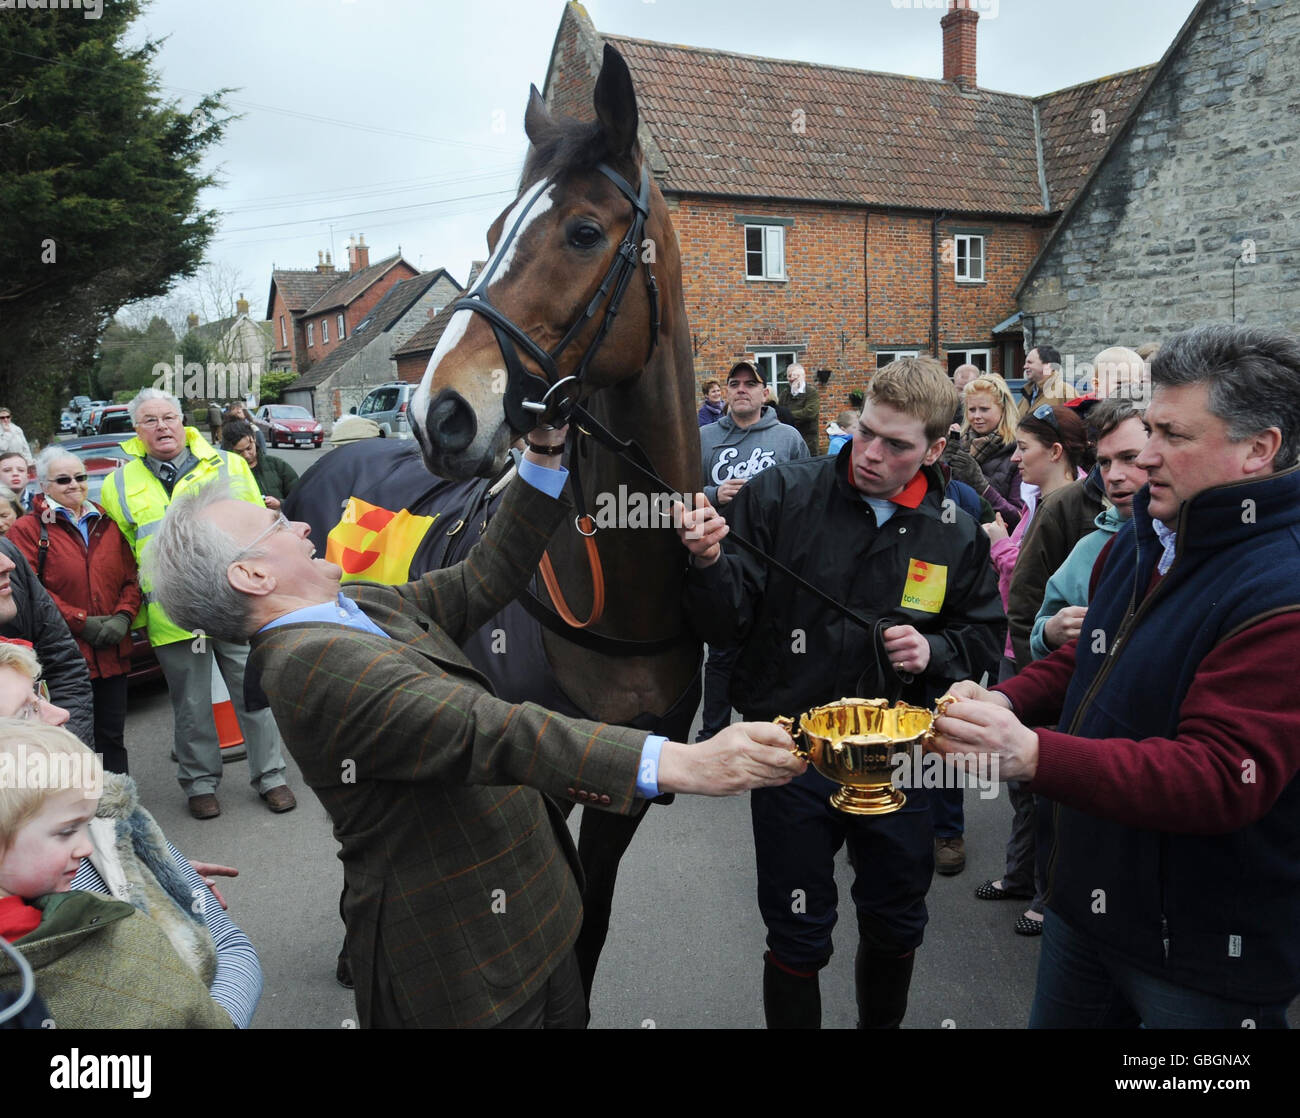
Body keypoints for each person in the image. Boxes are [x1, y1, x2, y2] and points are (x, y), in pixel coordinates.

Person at [143, 424, 806, 1029]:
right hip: (464, 969)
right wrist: (684, 763)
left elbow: (483, 576)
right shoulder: (309, 666)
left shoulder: (356, 606)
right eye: (275, 523)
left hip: (538, 918)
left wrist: (544, 457)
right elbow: (488, 729)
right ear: (252, 573)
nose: (301, 527)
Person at [933, 324, 1300, 1028]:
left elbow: (1222, 774)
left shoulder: (1281, 584)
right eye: (1147, 430)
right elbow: (1094, 654)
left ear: (1260, 449)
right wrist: (1000, 697)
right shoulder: (1150, 534)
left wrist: (1033, 754)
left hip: (1201, 958)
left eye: (1174, 436)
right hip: (1086, 907)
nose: (1142, 461)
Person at [677, 356, 1004, 1028]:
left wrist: (934, 650)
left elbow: (982, 638)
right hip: (791, 753)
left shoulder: (955, 528)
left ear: (937, 448)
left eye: (897, 444)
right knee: (797, 931)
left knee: (895, 922)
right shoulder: (781, 495)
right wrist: (708, 563)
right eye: (866, 433)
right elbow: (725, 621)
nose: (872, 454)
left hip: (903, 761)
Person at [100, 388, 295, 820]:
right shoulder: (118, 483)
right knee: (190, 707)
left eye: (168, 417)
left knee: (255, 695)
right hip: (172, 613)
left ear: (181, 421)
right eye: (150, 420)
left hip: (232, 603)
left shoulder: (228, 463)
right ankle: (200, 785)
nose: (162, 427)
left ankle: (272, 778)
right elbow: (122, 556)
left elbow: (256, 532)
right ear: (137, 430)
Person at [0, 718, 238, 1028]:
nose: (85, 847)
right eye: (67, 831)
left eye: (85, 827)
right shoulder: (88, 924)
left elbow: (232, 945)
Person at [982, 403, 1092, 936]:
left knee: (1045, 782)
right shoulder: (1040, 502)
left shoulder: (1067, 506)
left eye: (1023, 447)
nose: (1015, 456)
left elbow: (1027, 588)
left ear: (1056, 451)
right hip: (1021, 656)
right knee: (1021, 786)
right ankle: (1019, 875)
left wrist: (996, 542)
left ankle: (1046, 894)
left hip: (1033, 663)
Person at [8, 448, 141, 775]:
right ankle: (82, 811)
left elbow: (131, 576)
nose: (74, 485)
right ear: (44, 486)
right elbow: (32, 593)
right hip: (63, 657)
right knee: (70, 739)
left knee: (112, 736)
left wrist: (123, 616)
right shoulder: (27, 530)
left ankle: (119, 805)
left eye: (80, 478)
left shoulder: (106, 522)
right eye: (63, 479)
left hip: (111, 653)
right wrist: (82, 623)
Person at [697, 362, 809, 742]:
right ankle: (712, 736)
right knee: (722, 653)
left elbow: (808, 497)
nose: (742, 389)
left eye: (751, 384)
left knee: (775, 651)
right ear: (725, 392)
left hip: (775, 562)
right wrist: (715, 495)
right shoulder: (704, 438)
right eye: (734, 384)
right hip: (721, 563)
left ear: (765, 393)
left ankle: (769, 736)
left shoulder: (788, 438)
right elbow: (676, 495)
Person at [1028, 400, 1149, 660]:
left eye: (1130, 458)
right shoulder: (1090, 546)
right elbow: (1038, 625)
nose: (1114, 475)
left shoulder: (1185, 540)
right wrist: (1049, 633)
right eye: (1104, 462)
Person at [0, 541, 93, 746]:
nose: (9, 564)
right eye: (24, 713)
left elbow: (65, 670)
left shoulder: (8, 553)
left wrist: (67, 752)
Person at [944, 375, 1025, 530]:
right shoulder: (961, 444)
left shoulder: (1018, 450)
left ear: (1002, 408)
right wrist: (942, 463)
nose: (977, 416)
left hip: (996, 544)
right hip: (958, 534)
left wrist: (982, 486)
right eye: (972, 409)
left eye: (984, 409)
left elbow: (1019, 519)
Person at [221, 419, 298, 509]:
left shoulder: (278, 465)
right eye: (239, 452)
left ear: (254, 438)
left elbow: (299, 497)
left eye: (249, 448)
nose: (246, 455)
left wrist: (280, 503)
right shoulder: (225, 473)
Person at [778, 363, 822, 456]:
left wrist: (787, 415)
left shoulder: (811, 393)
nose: (792, 378)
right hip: (788, 441)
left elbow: (809, 413)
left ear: (803, 376)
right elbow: (778, 413)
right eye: (789, 376)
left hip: (808, 442)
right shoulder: (784, 394)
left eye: (795, 375)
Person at [1017, 345, 1070, 420]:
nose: (1025, 366)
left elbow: (1075, 427)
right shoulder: (1028, 393)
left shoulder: (1065, 392)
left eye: (1030, 362)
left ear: (1048, 366)